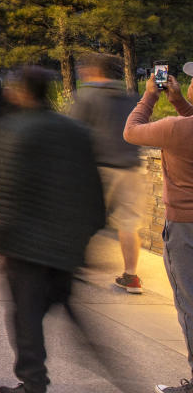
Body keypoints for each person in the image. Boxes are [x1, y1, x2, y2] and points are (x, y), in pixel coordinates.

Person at [0, 67, 105, 393]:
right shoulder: (77, 131)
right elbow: (94, 189)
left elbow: (6, 189)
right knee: (57, 307)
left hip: (25, 245)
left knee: (26, 317)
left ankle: (33, 381)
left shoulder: (10, 129)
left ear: (22, 92)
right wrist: (88, 236)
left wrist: (1, 240)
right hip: (66, 244)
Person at [123, 73, 193, 392]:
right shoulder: (183, 124)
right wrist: (178, 102)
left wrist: (150, 96)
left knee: (189, 304)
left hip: (185, 228)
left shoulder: (176, 128)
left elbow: (131, 131)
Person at [67, 53, 143, 294]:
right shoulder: (132, 98)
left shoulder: (87, 97)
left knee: (85, 217)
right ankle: (131, 276)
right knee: (129, 223)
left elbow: (72, 133)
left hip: (98, 168)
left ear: (94, 70)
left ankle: (78, 266)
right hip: (131, 166)